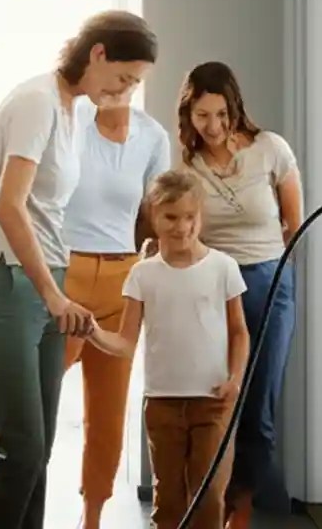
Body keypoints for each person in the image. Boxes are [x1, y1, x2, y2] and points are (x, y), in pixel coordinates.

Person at [0, 9, 158, 529]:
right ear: (97, 54)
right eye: (123, 77)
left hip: (46, 281)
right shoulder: (36, 102)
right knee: (21, 450)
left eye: (135, 84)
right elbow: (10, 206)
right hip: (6, 286)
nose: (125, 90)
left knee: (39, 451)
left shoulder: (71, 110)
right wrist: (53, 294)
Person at [83, 169, 250, 529]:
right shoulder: (142, 275)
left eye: (190, 217)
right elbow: (125, 342)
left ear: (200, 217)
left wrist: (235, 378)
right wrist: (93, 332)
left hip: (214, 402)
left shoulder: (224, 268)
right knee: (169, 501)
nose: (182, 227)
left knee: (207, 498)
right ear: (153, 218)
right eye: (171, 217)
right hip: (162, 404)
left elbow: (239, 332)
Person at [175, 61, 303, 527]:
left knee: (258, 408)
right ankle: (209, 508)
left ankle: (242, 513)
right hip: (213, 288)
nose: (212, 127)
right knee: (217, 404)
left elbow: (294, 225)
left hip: (270, 282)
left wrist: (278, 280)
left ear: (235, 109)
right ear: (188, 114)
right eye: (202, 116)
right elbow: (185, 231)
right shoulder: (188, 165)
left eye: (220, 114)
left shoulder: (270, 149)